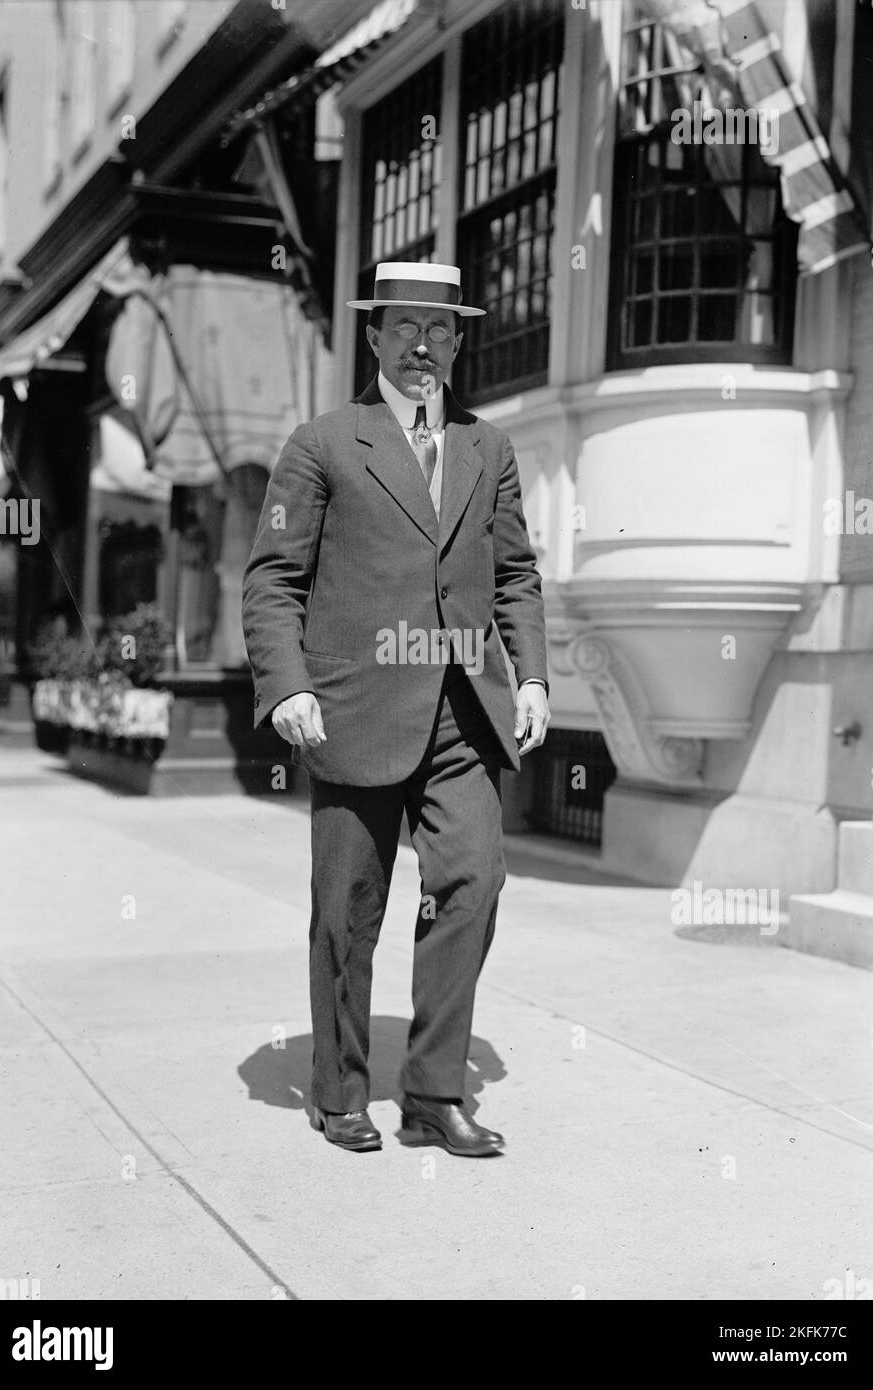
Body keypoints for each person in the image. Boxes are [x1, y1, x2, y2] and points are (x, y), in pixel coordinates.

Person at [242, 261, 550, 1157]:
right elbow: (273, 579)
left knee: (474, 883)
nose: (424, 346)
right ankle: (338, 1088)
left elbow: (516, 573)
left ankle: (432, 1092)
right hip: (354, 707)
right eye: (406, 327)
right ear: (373, 336)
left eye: (442, 330)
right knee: (347, 909)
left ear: (459, 341)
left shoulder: (487, 447)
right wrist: (287, 684)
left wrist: (530, 675)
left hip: (465, 706)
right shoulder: (324, 442)